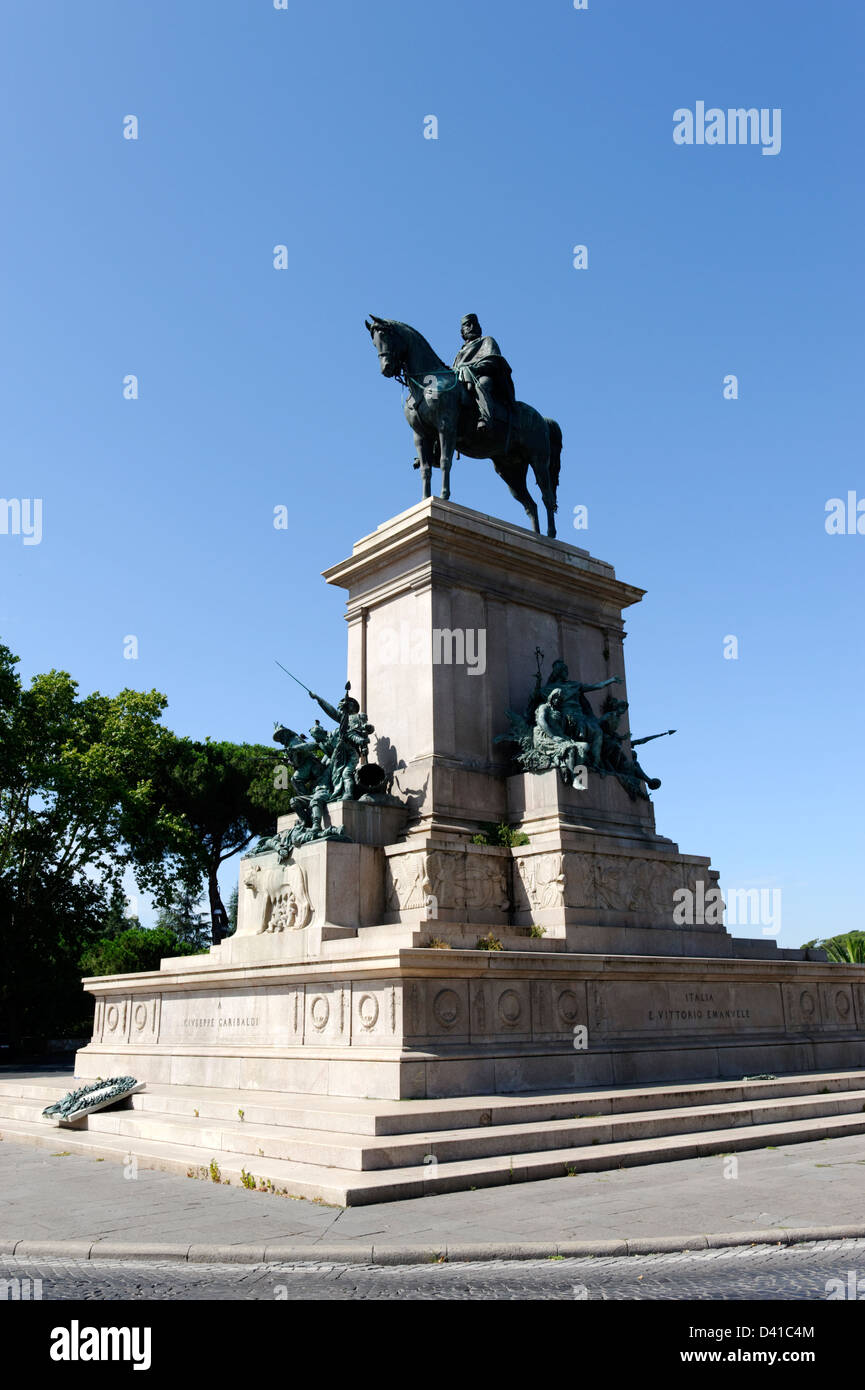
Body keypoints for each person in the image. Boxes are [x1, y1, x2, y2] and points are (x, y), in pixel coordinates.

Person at [452, 313, 516, 442]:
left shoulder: (487, 341)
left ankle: (486, 418)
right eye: (467, 325)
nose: (471, 327)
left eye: (474, 324)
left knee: (482, 384)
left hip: (484, 376)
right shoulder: (460, 352)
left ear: (479, 328)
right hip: (462, 380)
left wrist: (473, 368)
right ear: (462, 332)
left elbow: (493, 361)